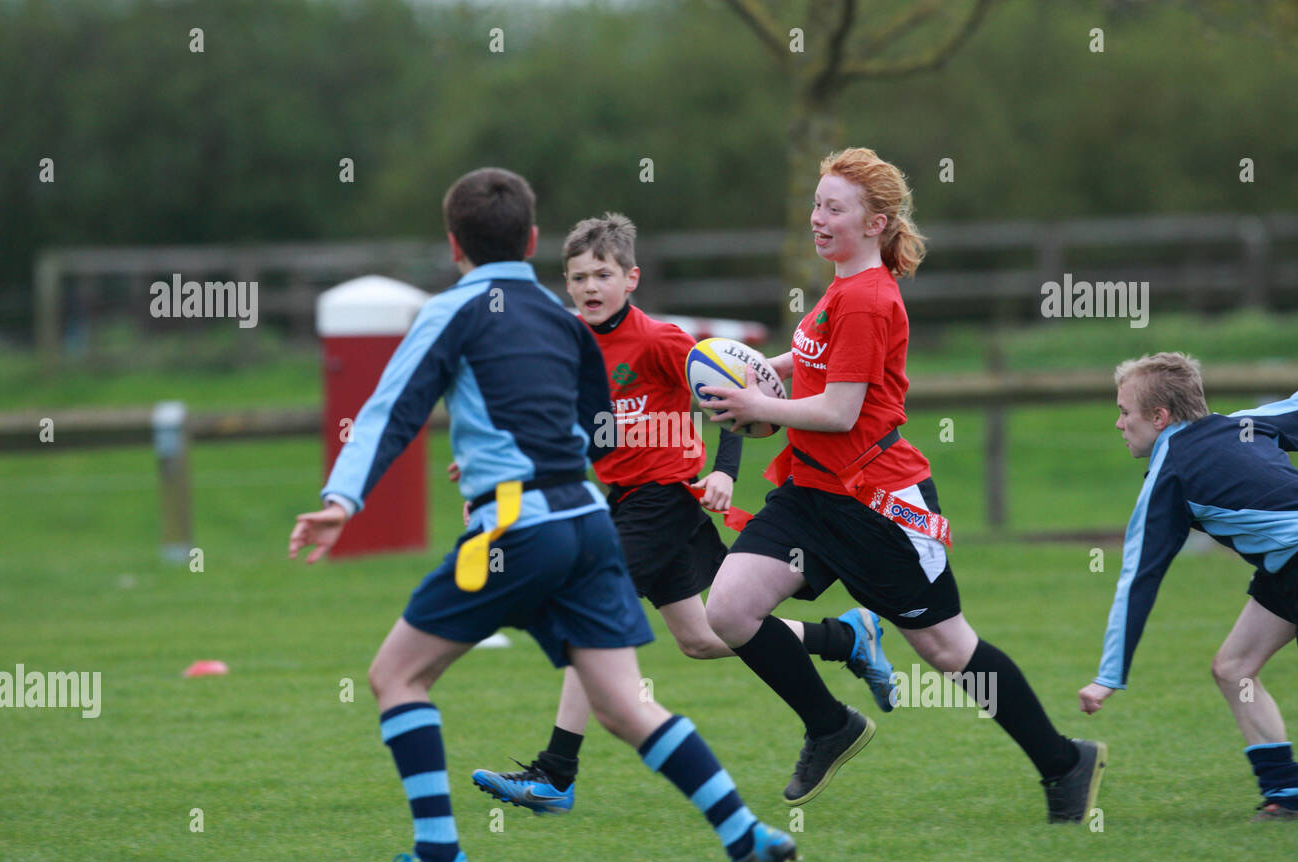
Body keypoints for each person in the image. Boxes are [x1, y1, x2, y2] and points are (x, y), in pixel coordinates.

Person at [287, 167, 797, 862]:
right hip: (588, 522)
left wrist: (342, 500)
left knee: (396, 677)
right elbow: (595, 432)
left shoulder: (450, 313)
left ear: (452, 246)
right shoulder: (567, 327)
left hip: (516, 529)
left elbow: (390, 412)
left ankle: (438, 851)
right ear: (531, 241)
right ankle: (747, 837)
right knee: (624, 706)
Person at [700, 147, 1106, 821]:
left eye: (835, 208)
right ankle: (830, 724)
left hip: (877, 505)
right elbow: (807, 360)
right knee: (728, 611)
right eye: (817, 204)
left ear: (875, 222)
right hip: (811, 495)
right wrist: (745, 369)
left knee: (949, 649)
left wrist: (756, 408)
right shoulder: (840, 285)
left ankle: (1065, 763)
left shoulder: (867, 297)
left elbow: (839, 411)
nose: (818, 218)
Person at [468, 212, 896, 816]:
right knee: (704, 636)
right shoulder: (569, 344)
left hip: (665, 498)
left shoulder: (659, 340)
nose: (590, 287)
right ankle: (844, 636)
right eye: (578, 277)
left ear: (631, 277)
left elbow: (733, 391)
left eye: (603, 274)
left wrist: (724, 469)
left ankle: (555, 773)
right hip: (626, 499)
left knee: (588, 611)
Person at [1078, 352, 1298, 822]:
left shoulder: (1168, 475)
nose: (1119, 424)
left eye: (1124, 411)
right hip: (1285, 570)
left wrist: (1107, 676)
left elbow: (1138, 578)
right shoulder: (1242, 422)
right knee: (1234, 667)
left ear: (1159, 418)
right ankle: (1286, 794)